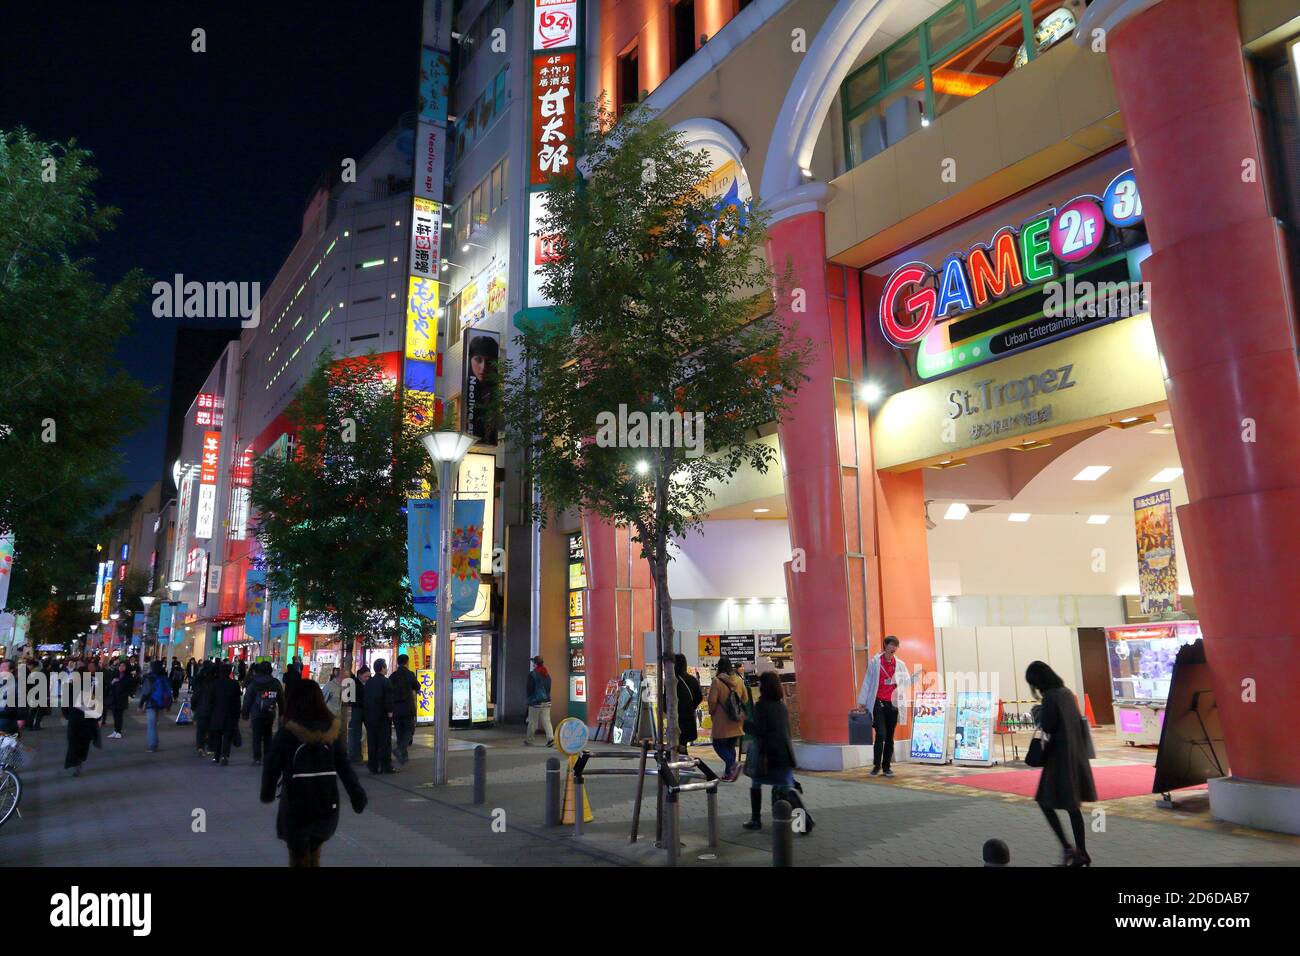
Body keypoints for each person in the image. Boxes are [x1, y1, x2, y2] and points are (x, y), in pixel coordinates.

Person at [260, 678, 367, 867]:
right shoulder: (331, 731)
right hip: (326, 804)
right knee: (314, 850)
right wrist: (357, 795)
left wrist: (267, 792)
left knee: (298, 855)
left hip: (296, 805)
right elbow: (344, 767)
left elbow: (272, 765)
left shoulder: (288, 732)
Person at [1026, 660, 1097, 866]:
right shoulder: (1066, 693)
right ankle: (1081, 852)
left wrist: (1036, 712)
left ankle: (1068, 848)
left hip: (1059, 760)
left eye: (1033, 683)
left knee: (1045, 801)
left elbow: (1047, 726)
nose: (1035, 688)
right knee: (1072, 806)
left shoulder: (1050, 698)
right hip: (1075, 756)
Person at [742, 671, 813, 833]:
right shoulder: (781, 706)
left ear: (763, 687)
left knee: (756, 784)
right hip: (785, 754)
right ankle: (803, 822)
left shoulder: (761, 706)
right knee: (786, 786)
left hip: (768, 756)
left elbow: (760, 731)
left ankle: (756, 819)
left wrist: (744, 723)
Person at [854, 635, 916, 778]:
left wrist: (912, 679)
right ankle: (876, 766)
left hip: (893, 703)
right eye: (891, 645)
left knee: (889, 736)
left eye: (896, 646)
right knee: (880, 734)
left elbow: (905, 682)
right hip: (878, 702)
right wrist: (862, 701)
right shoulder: (875, 662)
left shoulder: (899, 664)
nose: (893, 648)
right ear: (885, 646)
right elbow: (868, 682)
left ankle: (886, 767)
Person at [706, 656, 746, 781]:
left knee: (718, 745)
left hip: (722, 721)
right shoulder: (739, 680)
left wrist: (712, 713)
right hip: (736, 720)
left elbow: (712, 701)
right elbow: (745, 698)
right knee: (730, 747)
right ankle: (729, 774)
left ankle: (733, 765)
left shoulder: (717, 681)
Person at [242, 661, 285, 765]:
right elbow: (281, 699)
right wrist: (282, 714)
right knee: (268, 735)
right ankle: (267, 757)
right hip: (270, 713)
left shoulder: (254, 682)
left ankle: (257, 758)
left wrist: (245, 712)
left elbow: (248, 699)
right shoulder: (275, 682)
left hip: (256, 713)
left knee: (256, 736)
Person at [63, 663, 100, 777]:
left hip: (75, 718)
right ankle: (79, 760)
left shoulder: (71, 687)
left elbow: (65, 704)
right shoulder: (91, 686)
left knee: (73, 740)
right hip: (87, 719)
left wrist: (67, 715)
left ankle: (75, 761)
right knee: (83, 741)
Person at [203, 662, 242, 766]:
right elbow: (237, 701)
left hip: (217, 714)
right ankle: (225, 756)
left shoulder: (215, 684)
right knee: (227, 737)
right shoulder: (234, 684)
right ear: (230, 672)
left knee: (218, 736)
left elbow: (210, 700)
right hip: (230, 714)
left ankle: (216, 756)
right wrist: (238, 714)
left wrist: (210, 712)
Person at [362, 659, 396, 774]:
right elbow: (389, 700)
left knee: (372, 742)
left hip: (370, 717)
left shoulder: (369, 682)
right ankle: (386, 766)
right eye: (385, 667)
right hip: (382, 717)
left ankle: (373, 766)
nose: (386, 669)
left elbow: (365, 699)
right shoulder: (386, 682)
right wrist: (390, 712)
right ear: (382, 668)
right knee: (384, 742)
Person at [138, 660, 173, 753]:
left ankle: (153, 745)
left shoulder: (150, 677)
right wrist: (168, 705)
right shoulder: (164, 677)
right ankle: (155, 742)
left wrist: (141, 704)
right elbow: (168, 691)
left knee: (151, 725)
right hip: (161, 703)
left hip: (151, 703)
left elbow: (146, 692)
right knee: (155, 724)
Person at [390, 654, 419, 766]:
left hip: (395, 709)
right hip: (407, 708)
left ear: (397, 663)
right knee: (409, 731)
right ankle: (400, 749)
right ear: (407, 662)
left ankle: (404, 757)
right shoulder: (409, 674)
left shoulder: (392, 676)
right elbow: (417, 687)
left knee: (399, 732)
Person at [674, 654, 704, 755]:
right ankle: (682, 763)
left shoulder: (672, 681)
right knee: (683, 741)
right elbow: (699, 697)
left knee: (677, 743)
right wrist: (691, 706)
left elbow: (666, 700)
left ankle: (679, 765)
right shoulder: (692, 679)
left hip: (675, 717)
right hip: (688, 716)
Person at [524, 656, 554, 746]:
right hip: (547, 701)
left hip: (535, 702)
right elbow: (549, 687)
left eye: (533, 662)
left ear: (536, 664)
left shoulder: (532, 674)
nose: (532, 664)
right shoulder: (547, 674)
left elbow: (529, 689)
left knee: (532, 721)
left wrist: (529, 699)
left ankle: (529, 740)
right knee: (546, 720)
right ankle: (550, 739)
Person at [104, 661, 135, 738]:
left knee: (119, 715)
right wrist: (113, 682)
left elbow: (129, 686)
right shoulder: (115, 674)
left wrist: (119, 682)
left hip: (122, 698)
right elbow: (110, 685)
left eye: (123, 666)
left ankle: (119, 731)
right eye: (120, 666)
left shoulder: (128, 676)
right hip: (114, 698)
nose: (121, 667)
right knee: (115, 714)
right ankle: (115, 731)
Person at [191, 661, 215, 756]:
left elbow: (195, 695)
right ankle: (210, 747)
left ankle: (200, 748)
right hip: (212, 709)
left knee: (200, 729)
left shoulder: (199, 679)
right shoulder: (214, 679)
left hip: (201, 708)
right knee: (211, 729)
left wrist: (193, 707)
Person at [347, 667, 369, 763]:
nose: (368, 678)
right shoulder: (353, 683)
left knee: (370, 732)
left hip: (368, 710)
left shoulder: (370, 682)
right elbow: (349, 698)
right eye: (366, 676)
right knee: (356, 733)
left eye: (369, 676)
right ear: (360, 675)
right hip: (357, 709)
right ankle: (355, 756)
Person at [0, 659, 26, 734]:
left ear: (11, 670)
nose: (1, 669)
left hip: (7, 717)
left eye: (4, 667)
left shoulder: (16, 684)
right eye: (0, 667)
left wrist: (21, 718)